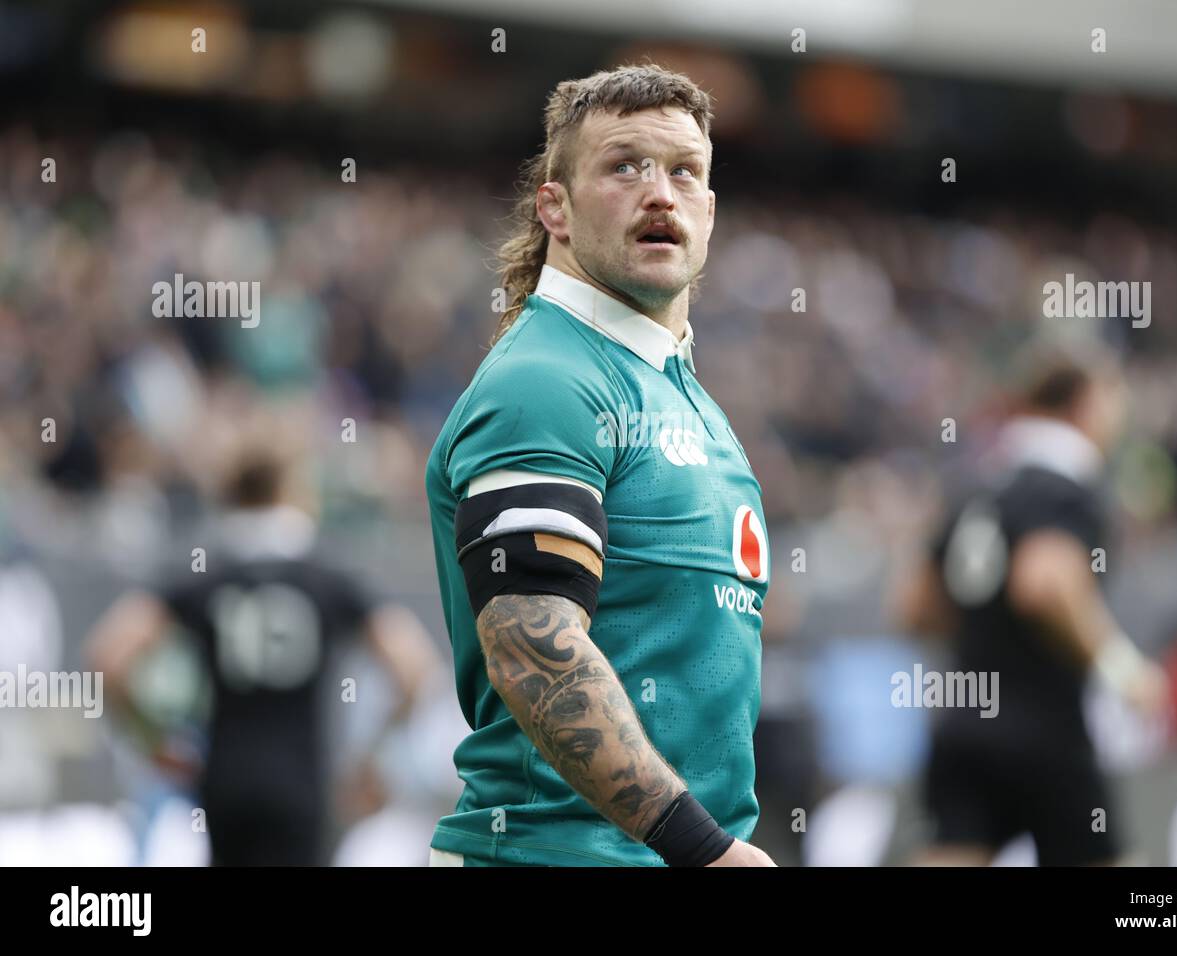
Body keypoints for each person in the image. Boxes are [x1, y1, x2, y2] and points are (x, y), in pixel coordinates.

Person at [424, 63, 775, 866]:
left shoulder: (687, 399)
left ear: (710, 213)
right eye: (626, 166)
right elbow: (529, 643)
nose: (662, 193)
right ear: (556, 206)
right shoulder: (546, 378)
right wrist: (702, 847)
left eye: (685, 172)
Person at [87, 450, 436, 865]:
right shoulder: (326, 577)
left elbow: (108, 657)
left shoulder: (204, 574)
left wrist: (154, 740)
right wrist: (373, 757)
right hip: (302, 781)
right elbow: (414, 668)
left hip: (224, 777)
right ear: (291, 490)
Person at [894, 340, 1168, 866]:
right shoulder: (1065, 483)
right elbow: (1043, 582)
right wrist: (1124, 669)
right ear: (1084, 402)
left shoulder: (976, 483)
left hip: (961, 724)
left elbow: (915, 606)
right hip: (1045, 727)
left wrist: (987, 635)